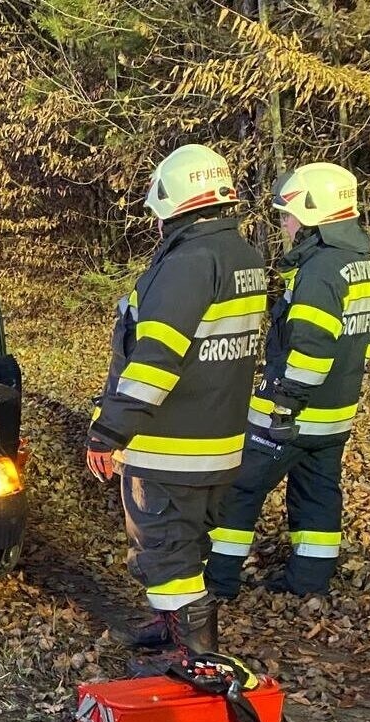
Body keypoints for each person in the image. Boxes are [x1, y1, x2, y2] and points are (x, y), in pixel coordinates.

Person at [85, 144, 267, 668]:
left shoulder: (188, 264)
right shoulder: (243, 258)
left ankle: (197, 659)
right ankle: (174, 629)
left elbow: (155, 361)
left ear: (176, 203)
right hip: (219, 437)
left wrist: (109, 431)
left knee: (165, 549)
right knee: (188, 544)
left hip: (171, 443)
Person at [205, 163, 370, 600]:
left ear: (314, 211)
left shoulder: (321, 271)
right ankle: (308, 585)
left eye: (288, 212)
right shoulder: (362, 264)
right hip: (335, 415)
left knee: (240, 488)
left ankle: (217, 582)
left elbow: (311, 348)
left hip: (294, 414)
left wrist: (284, 401)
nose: (284, 221)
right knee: (318, 495)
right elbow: (366, 343)